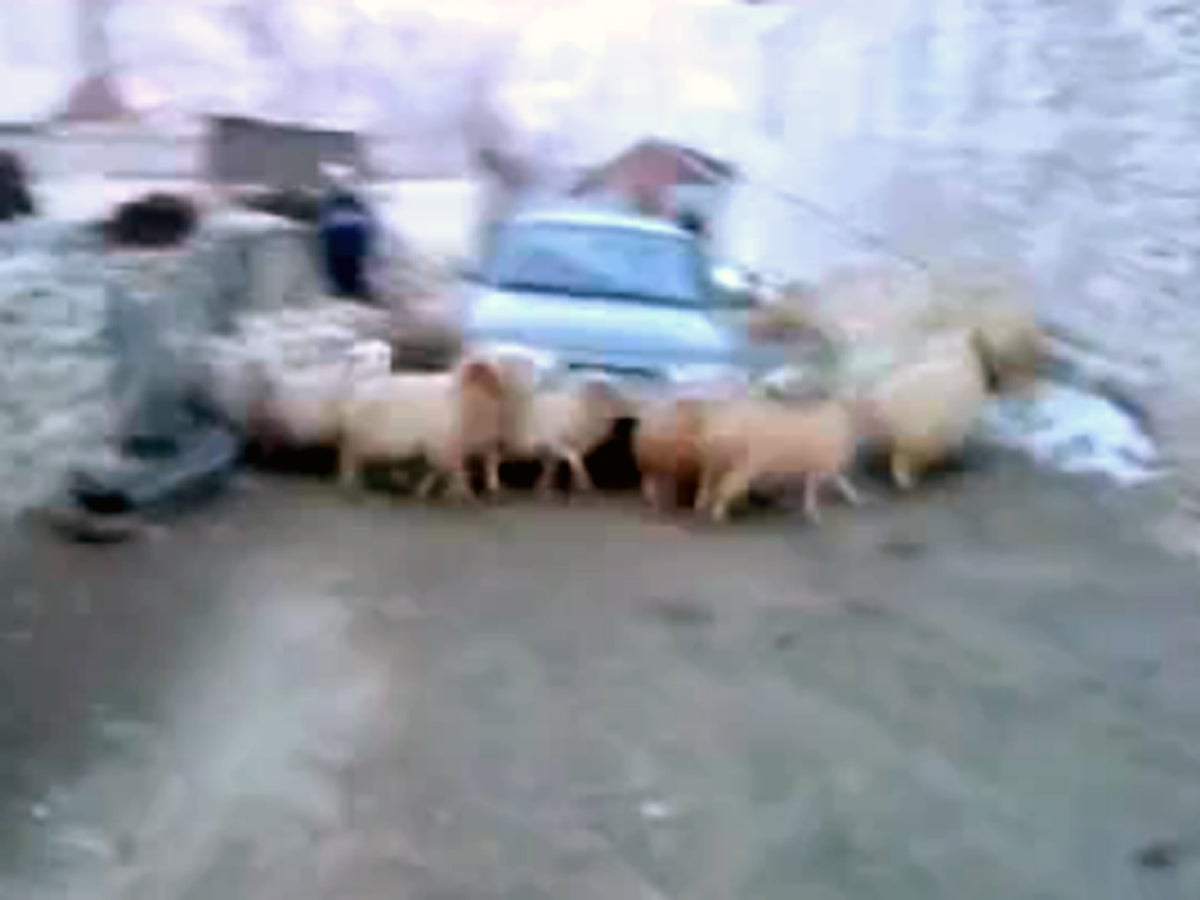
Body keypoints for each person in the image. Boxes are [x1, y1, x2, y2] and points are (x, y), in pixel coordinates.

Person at [316, 162, 378, 301]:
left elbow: (324, 221)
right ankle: (354, 290)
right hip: (352, 235)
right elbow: (368, 220)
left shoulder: (332, 201)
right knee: (351, 265)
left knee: (341, 265)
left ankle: (346, 290)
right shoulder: (356, 201)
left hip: (340, 236)